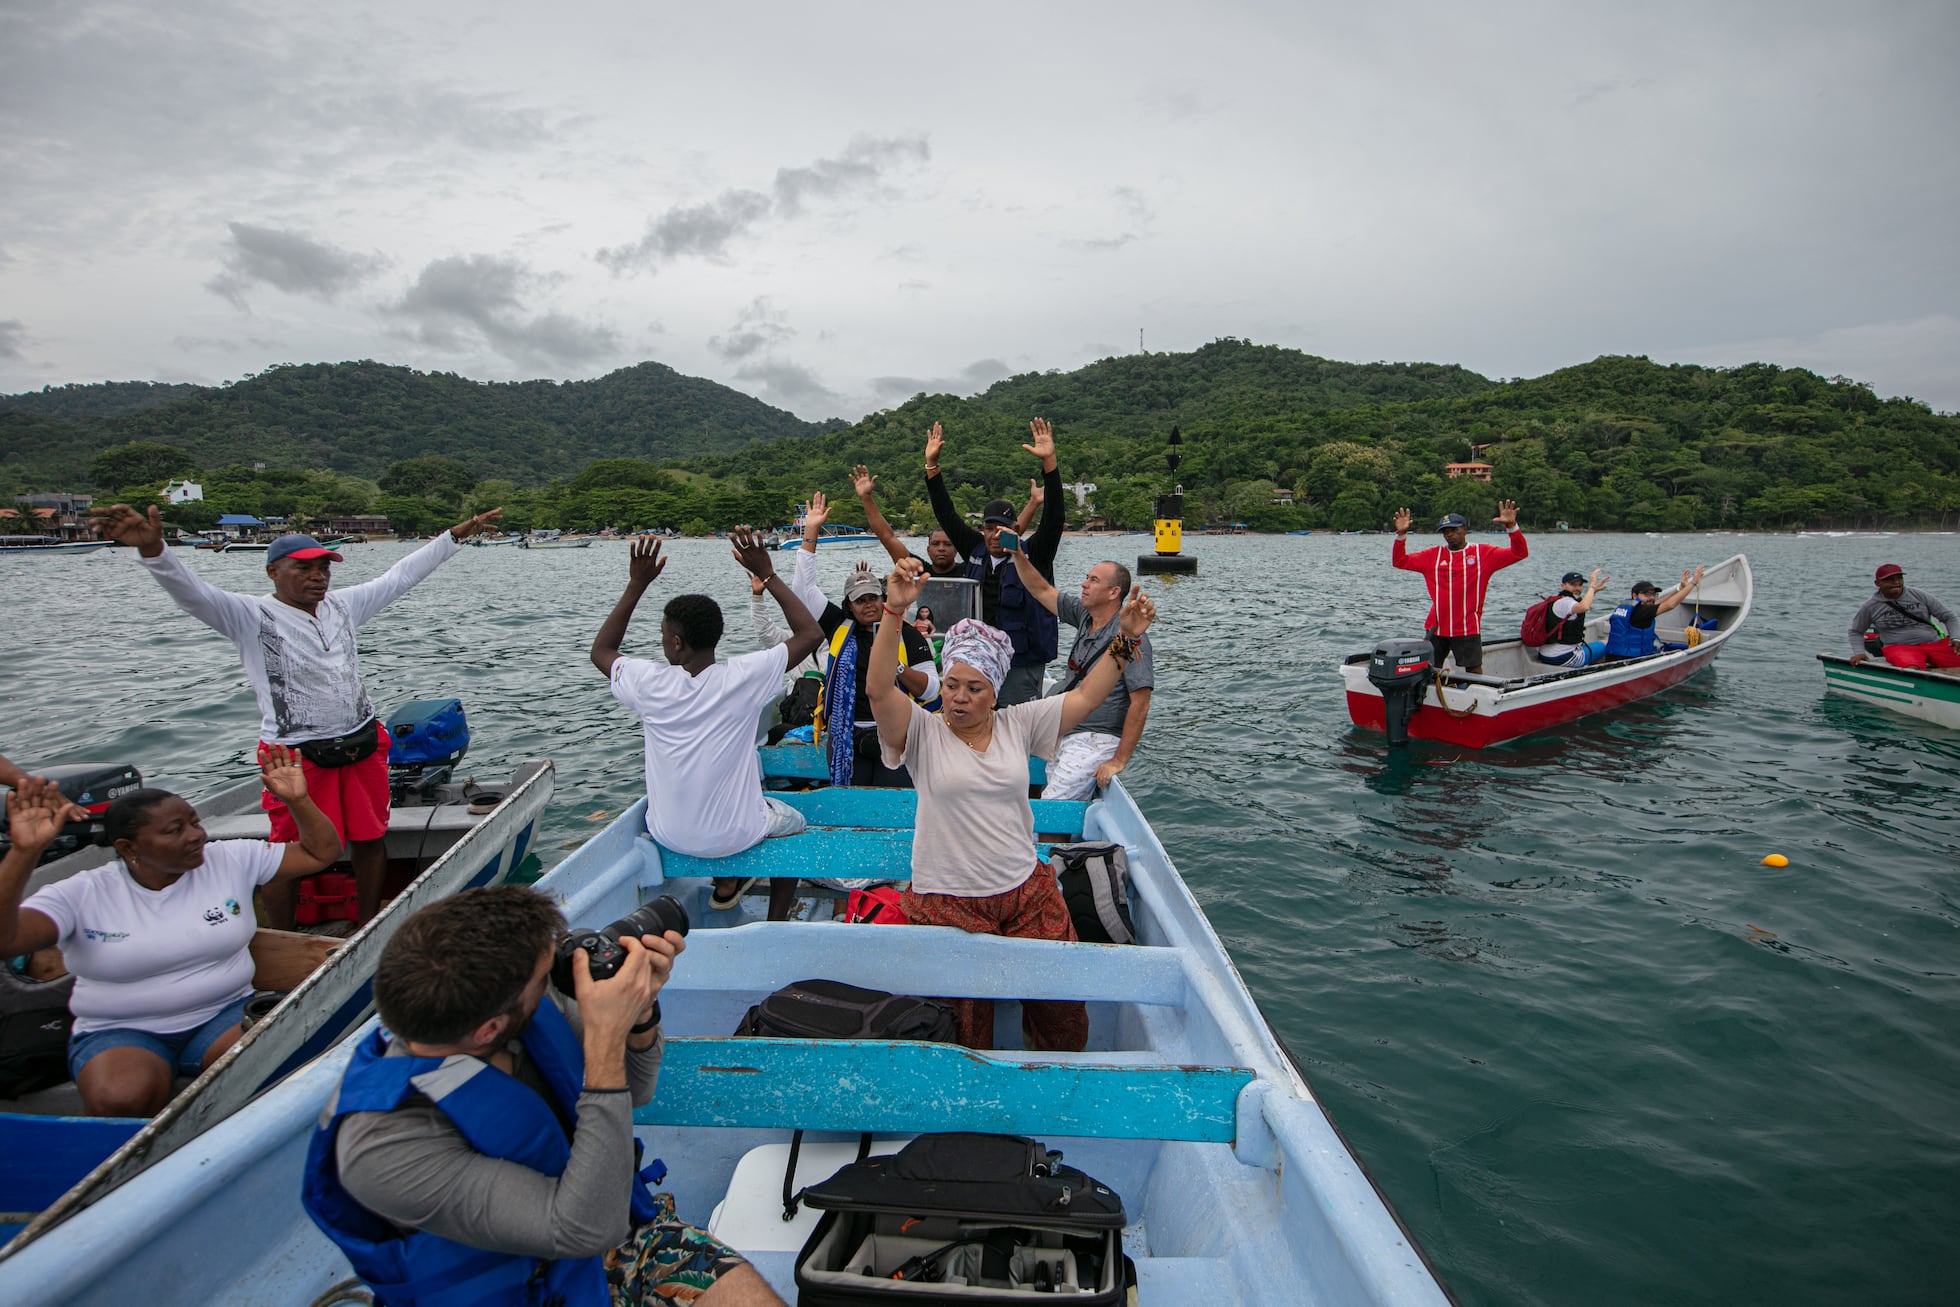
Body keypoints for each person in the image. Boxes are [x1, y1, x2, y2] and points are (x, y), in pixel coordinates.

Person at [302, 886, 783, 1307]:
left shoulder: (524, 1009)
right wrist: (602, 1041)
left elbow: (636, 1089)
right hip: (508, 1285)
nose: (561, 969)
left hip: (615, 1235)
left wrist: (640, 1012)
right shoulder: (383, 1146)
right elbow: (586, 1228)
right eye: (544, 974)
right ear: (489, 1029)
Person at [91, 502, 505, 926]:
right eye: (303, 568)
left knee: (370, 838)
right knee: (286, 853)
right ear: (273, 571)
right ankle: (285, 935)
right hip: (294, 754)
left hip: (361, 741)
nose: (317, 576)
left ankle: (367, 925)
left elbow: (400, 576)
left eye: (323, 568)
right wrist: (155, 550)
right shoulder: (249, 616)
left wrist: (455, 535)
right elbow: (192, 594)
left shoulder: (342, 607)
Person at [866, 558, 1157, 1051]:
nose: (959, 698)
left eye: (974, 688)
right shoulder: (922, 733)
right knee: (960, 1033)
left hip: (1025, 890)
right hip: (948, 900)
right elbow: (878, 690)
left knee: (1062, 1011)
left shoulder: (1017, 724)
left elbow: (1087, 697)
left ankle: (1048, 1066)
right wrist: (893, 612)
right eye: (952, 685)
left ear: (995, 690)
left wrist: (1126, 639)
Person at [0, 750, 341, 1116]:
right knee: (122, 1098)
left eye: (195, 822)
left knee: (281, 1062)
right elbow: (8, 940)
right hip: (122, 1029)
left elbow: (320, 854)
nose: (196, 836)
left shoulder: (228, 858)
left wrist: (298, 801)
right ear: (129, 849)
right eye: (175, 830)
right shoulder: (82, 892)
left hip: (224, 1014)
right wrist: (24, 852)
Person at [593, 527, 823, 922]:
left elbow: (602, 650)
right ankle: (775, 921)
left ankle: (726, 884)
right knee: (796, 823)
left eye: (664, 634)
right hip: (735, 834)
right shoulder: (744, 677)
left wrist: (637, 585)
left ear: (676, 643)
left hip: (668, 834)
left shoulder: (649, 683)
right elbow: (811, 633)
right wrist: (767, 574)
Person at [786, 498, 938, 786]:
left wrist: (896, 668)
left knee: (893, 799)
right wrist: (811, 532)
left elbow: (931, 688)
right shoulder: (839, 626)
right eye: (860, 600)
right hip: (846, 732)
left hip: (896, 732)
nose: (868, 605)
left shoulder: (906, 633)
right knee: (849, 794)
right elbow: (802, 590)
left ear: (884, 599)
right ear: (849, 606)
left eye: (873, 598)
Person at [923, 419, 1066, 705]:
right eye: (989, 528)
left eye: (1002, 529)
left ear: (1016, 529)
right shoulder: (975, 550)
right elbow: (946, 513)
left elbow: (1054, 519)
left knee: (1016, 722)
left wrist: (1049, 463)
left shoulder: (1035, 555)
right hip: (980, 655)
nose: (995, 535)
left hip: (1022, 662)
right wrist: (932, 466)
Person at [1009, 550, 1154, 801]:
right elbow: (1041, 590)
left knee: (1053, 804)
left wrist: (1119, 760)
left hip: (1095, 738)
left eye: (1093, 580)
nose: (1083, 584)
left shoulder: (1132, 638)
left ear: (1113, 592)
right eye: (1087, 577)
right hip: (1063, 729)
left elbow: (1140, 703)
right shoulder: (1086, 617)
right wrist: (1017, 555)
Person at [1391, 502, 1528, 675]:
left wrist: (1512, 527)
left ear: (1464, 529)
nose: (1449, 534)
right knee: (1428, 671)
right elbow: (1399, 561)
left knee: (1474, 671)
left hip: (1467, 627)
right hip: (1436, 627)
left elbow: (1520, 553)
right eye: (1445, 531)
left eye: (1453, 530)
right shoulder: (1432, 555)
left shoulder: (1483, 554)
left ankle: (1474, 692)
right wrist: (1401, 534)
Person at [851, 463, 1040, 583]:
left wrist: (1033, 503)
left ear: (957, 549)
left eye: (947, 544)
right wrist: (866, 498)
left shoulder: (972, 568)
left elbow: (1007, 537)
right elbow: (888, 537)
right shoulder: (918, 570)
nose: (941, 548)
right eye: (935, 544)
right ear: (928, 550)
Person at [1848, 564, 1960, 671]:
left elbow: (1949, 617)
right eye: (1889, 579)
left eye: (1899, 578)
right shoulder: (1870, 606)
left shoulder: (1919, 595)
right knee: (1910, 665)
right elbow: (1856, 631)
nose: (1896, 582)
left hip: (1934, 644)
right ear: (1878, 583)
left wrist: (1955, 638)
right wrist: (1859, 653)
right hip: (1899, 647)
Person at [1601, 568, 1707, 660]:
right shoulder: (1641, 611)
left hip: (1613, 655)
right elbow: (1670, 605)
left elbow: (1659, 603)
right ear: (1635, 595)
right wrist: (1693, 582)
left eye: (1653, 594)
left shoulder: (1628, 606)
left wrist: (1680, 588)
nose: (1651, 598)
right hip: (1631, 659)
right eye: (1647, 594)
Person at [1534, 569, 1610, 668]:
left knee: (1592, 649)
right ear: (1563, 585)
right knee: (1608, 643)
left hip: (1545, 655)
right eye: (1573, 585)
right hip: (1563, 657)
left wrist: (1593, 591)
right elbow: (1584, 606)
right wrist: (1592, 585)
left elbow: (1580, 604)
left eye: (1580, 585)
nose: (1577, 588)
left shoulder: (1558, 600)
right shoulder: (1566, 602)